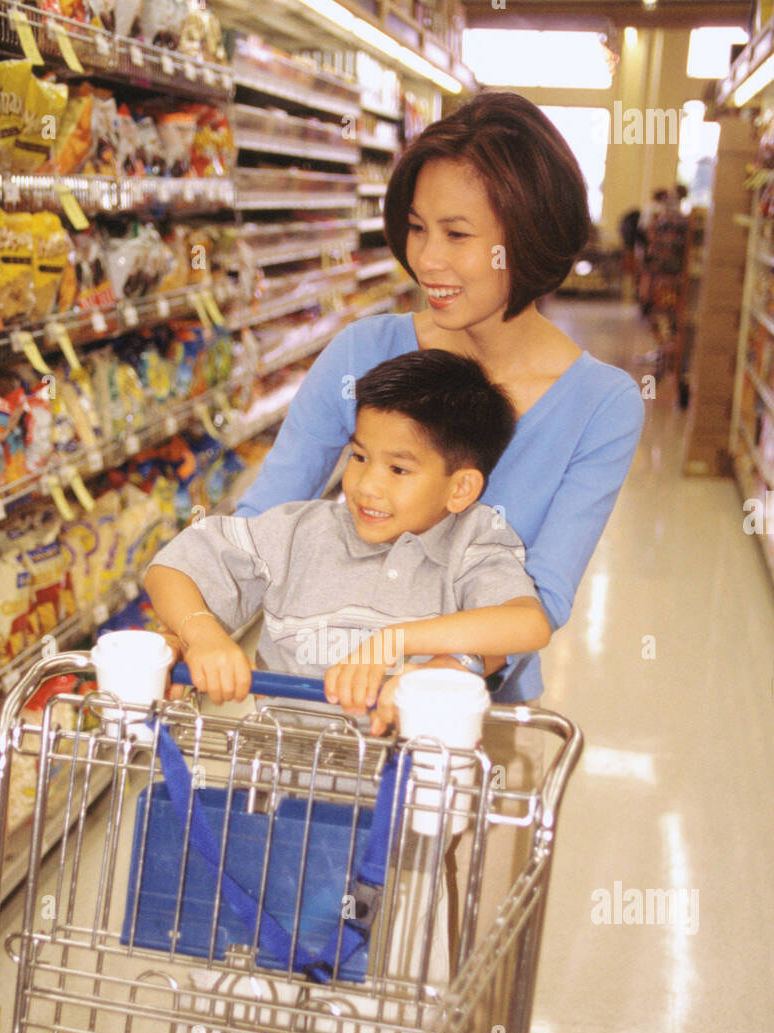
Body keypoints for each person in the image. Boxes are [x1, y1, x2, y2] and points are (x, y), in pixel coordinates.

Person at [232, 91, 645, 708]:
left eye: (457, 234)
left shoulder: (602, 405)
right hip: (314, 700)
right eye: (418, 228)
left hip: (472, 716)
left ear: (529, 236)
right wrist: (194, 620)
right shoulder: (362, 352)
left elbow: (542, 595)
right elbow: (259, 519)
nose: (426, 260)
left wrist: (439, 671)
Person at [146, 348, 550, 735]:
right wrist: (201, 635)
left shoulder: (473, 542)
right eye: (359, 457)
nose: (366, 486)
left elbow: (527, 623)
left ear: (460, 488)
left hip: (409, 789)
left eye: (398, 469)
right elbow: (174, 567)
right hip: (282, 780)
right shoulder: (297, 532)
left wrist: (396, 640)